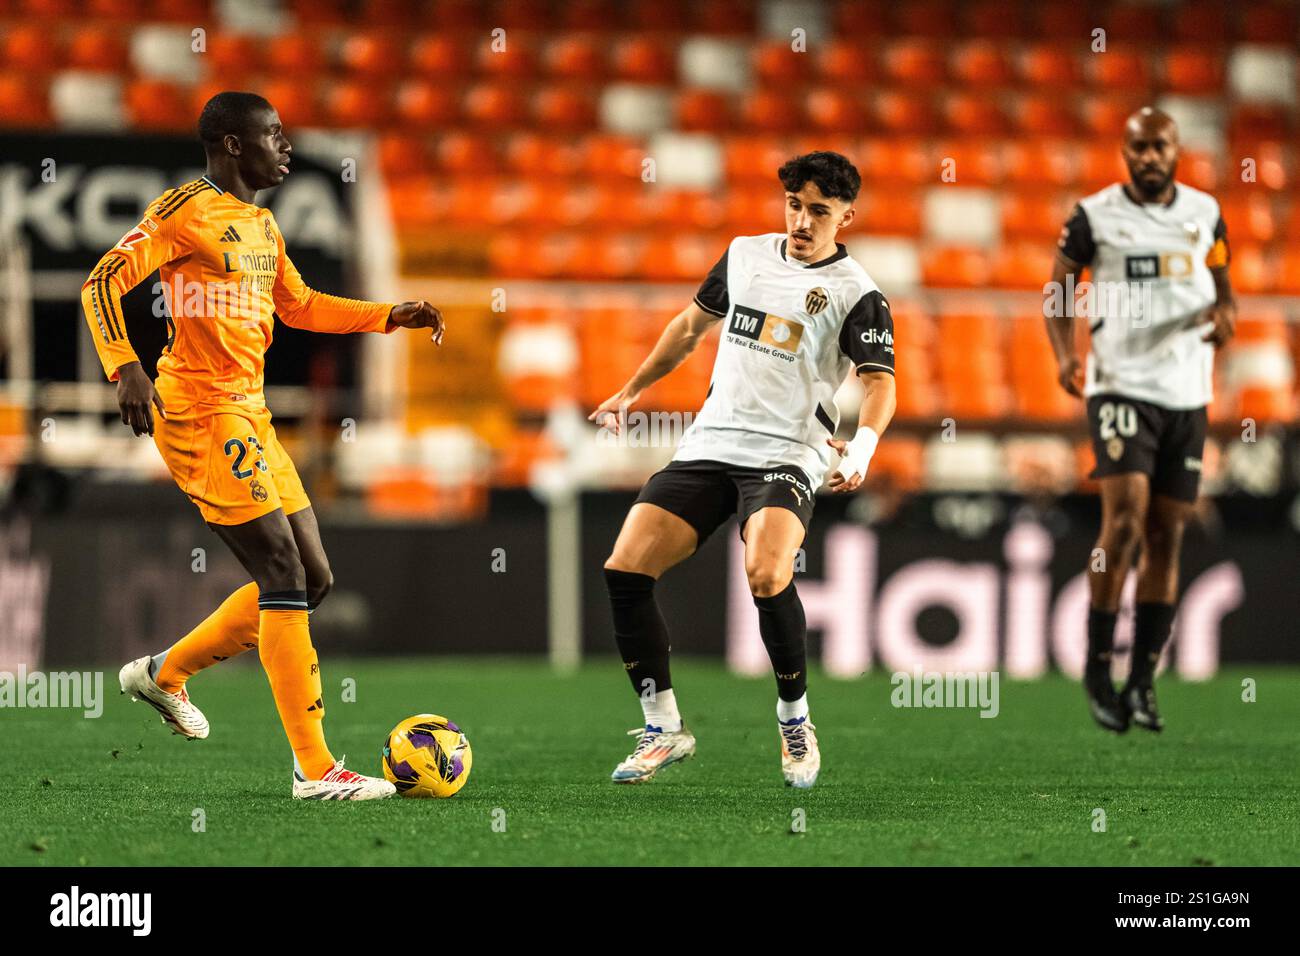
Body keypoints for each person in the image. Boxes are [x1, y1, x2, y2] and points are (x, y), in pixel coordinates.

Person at [83, 92, 444, 799]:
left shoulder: (262, 224)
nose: (286, 144)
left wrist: (386, 315)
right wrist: (123, 365)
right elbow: (102, 283)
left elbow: (300, 303)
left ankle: (162, 675)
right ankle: (315, 770)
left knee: (312, 579)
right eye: (273, 134)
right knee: (281, 570)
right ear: (233, 145)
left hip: (252, 415)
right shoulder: (182, 211)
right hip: (198, 414)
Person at [589, 151, 897, 788]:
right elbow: (688, 327)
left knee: (765, 570)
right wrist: (632, 389)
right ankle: (663, 728)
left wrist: (862, 448)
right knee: (625, 569)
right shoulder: (743, 256)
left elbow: (879, 383)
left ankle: (794, 719)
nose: (802, 221)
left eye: (819, 210)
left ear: (847, 216)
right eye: (794, 205)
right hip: (712, 443)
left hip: (788, 453)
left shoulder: (857, 294)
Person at [1044, 107, 1235, 733]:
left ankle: (1145, 680)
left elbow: (1223, 287)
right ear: (1124, 153)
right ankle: (1099, 667)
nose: (1148, 157)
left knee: (1167, 534)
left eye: (1158, 146)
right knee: (1124, 521)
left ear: (1176, 148)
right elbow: (1059, 287)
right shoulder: (1094, 215)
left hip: (1187, 392)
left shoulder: (1205, 213)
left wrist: (1226, 316)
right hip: (1120, 385)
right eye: (1137, 148)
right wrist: (1067, 354)